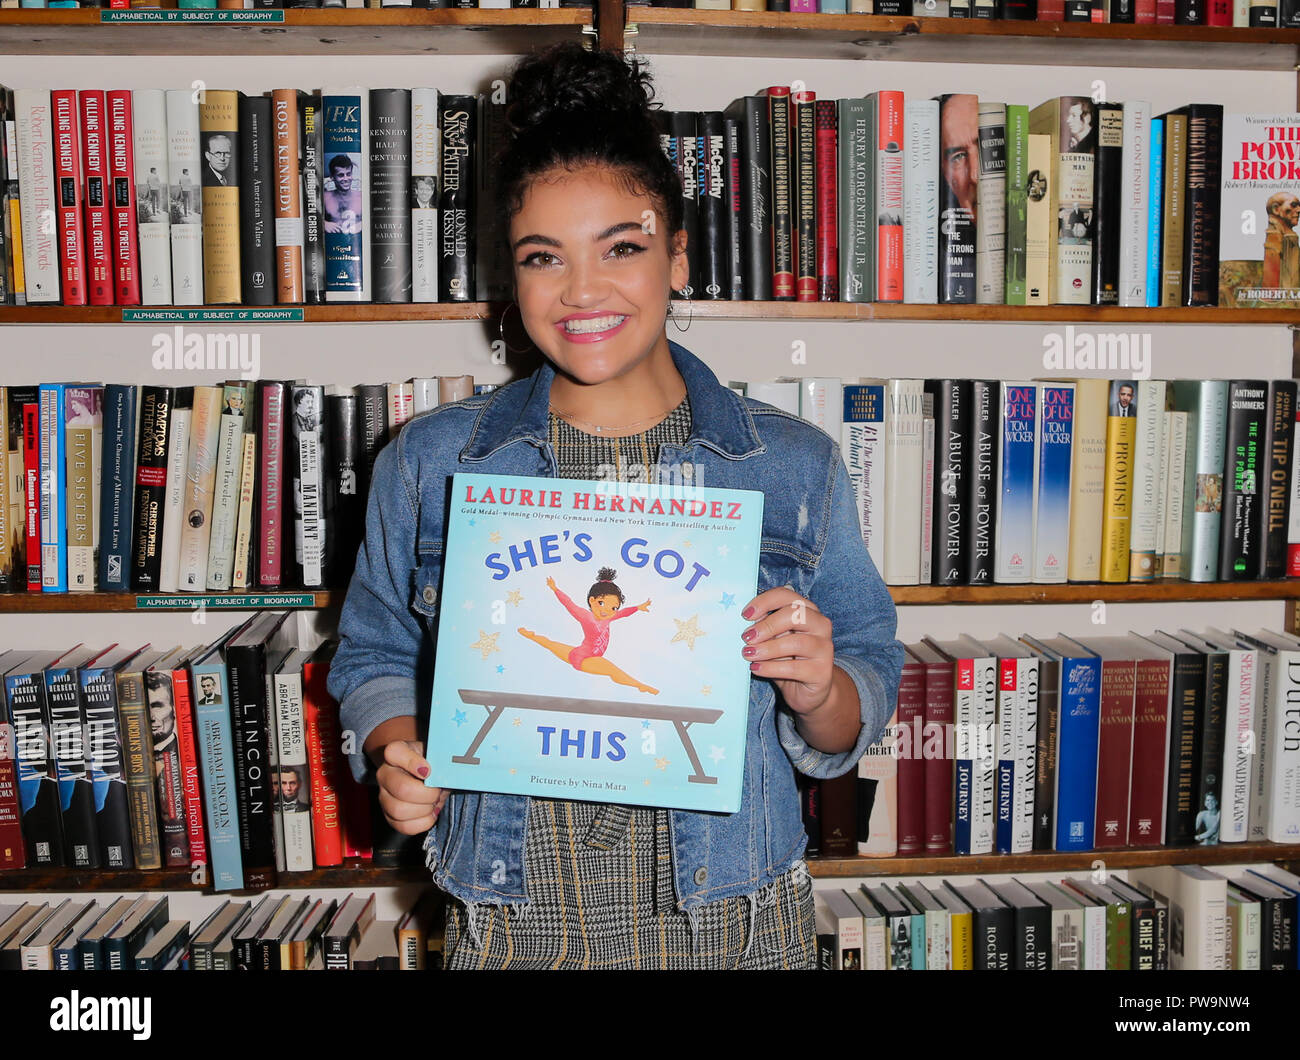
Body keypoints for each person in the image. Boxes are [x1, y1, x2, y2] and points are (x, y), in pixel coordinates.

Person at [326, 42, 903, 971]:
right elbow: (375, 655)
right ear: (511, 282)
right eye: (544, 257)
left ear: (678, 256)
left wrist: (819, 687)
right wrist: (400, 755)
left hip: (734, 932)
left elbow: (862, 691)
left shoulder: (792, 466)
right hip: (509, 934)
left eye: (622, 248)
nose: (583, 291)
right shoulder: (429, 465)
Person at [323, 155, 362, 234]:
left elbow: (377, 218)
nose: (346, 179)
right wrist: (323, 224)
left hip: (355, 242)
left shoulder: (362, 197)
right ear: (332, 177)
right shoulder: (324, 197)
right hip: (333, 242)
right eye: (341, 175)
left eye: (348, 174)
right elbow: (310, 218)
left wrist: (362, 224)